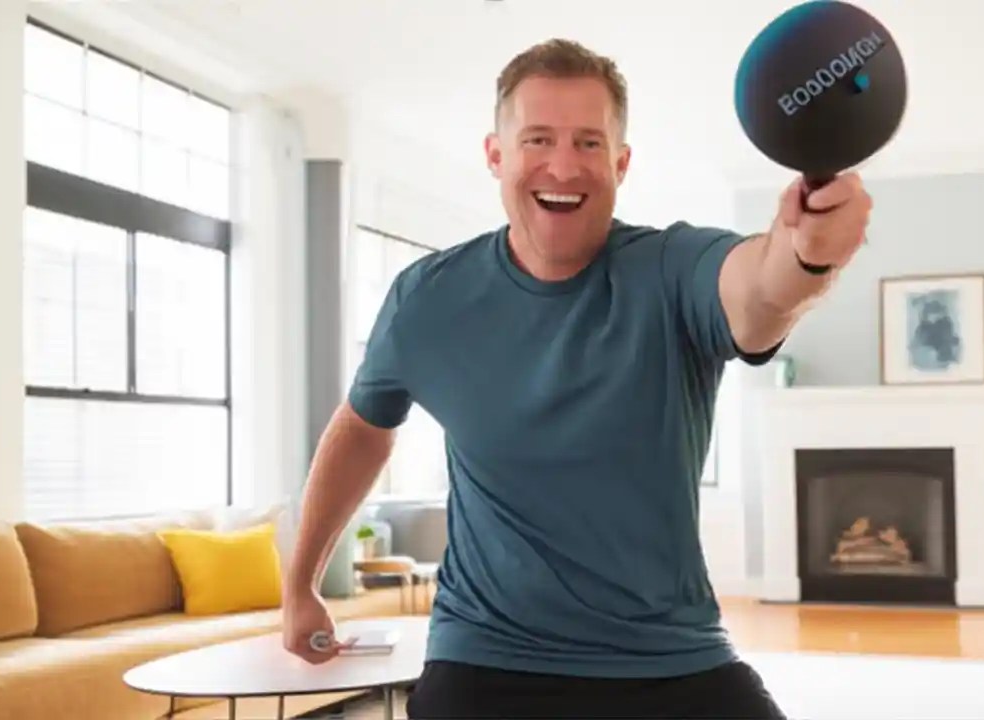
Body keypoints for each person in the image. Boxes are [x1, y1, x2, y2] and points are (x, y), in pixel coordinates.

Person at [281, 38, 871, 719]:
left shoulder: (671, 269)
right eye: (538, 138)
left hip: (670, 656)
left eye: (589, 144)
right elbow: (362, 427)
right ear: (495, 155)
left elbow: (761, 291)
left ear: (621, 163)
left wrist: (807, 254)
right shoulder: (427, 298)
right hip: (487, 655)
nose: (564, 165)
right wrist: (301, 583)